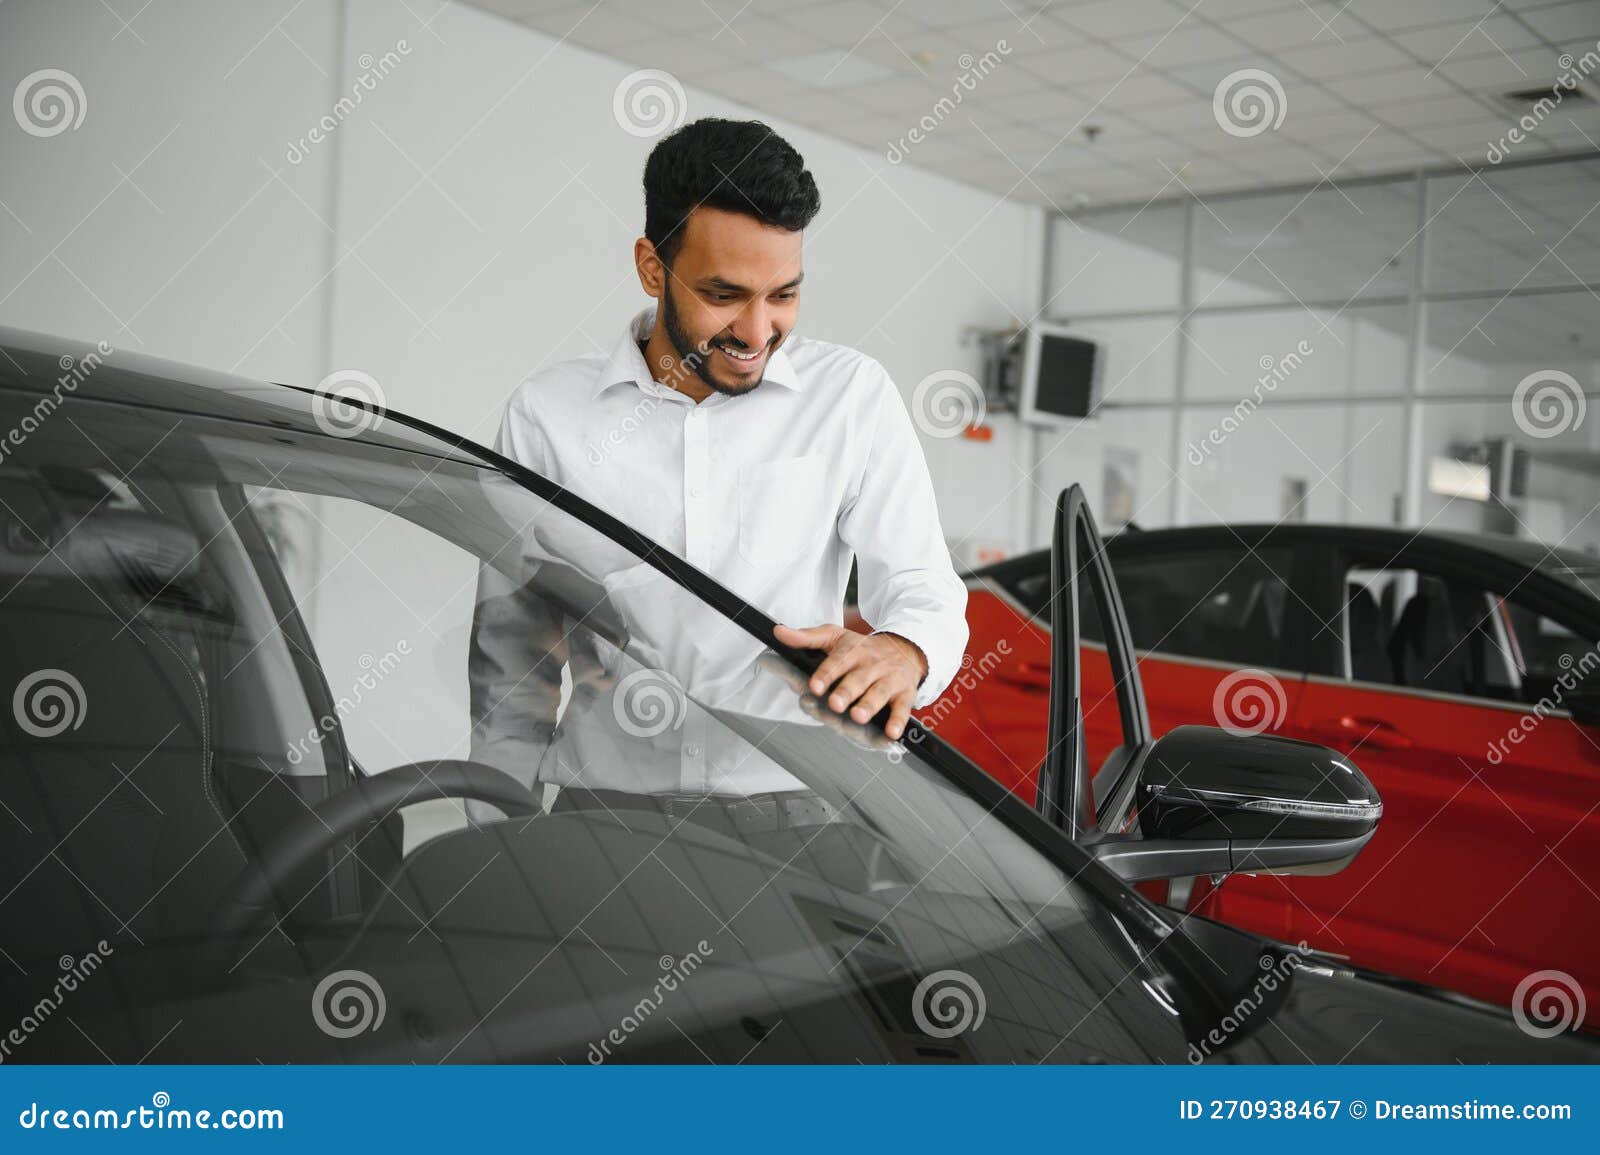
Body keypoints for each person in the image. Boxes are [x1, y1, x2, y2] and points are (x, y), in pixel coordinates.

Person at [468, 117, 967, 803]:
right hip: (606, 814)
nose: (758, 332)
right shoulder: (547, 416)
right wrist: (495, 821)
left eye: (784, 295)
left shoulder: (851, 397)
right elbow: (512, 656)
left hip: (799, 816)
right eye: (724, 295)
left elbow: (925, 586)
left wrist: (904, 651)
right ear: (652, 267)